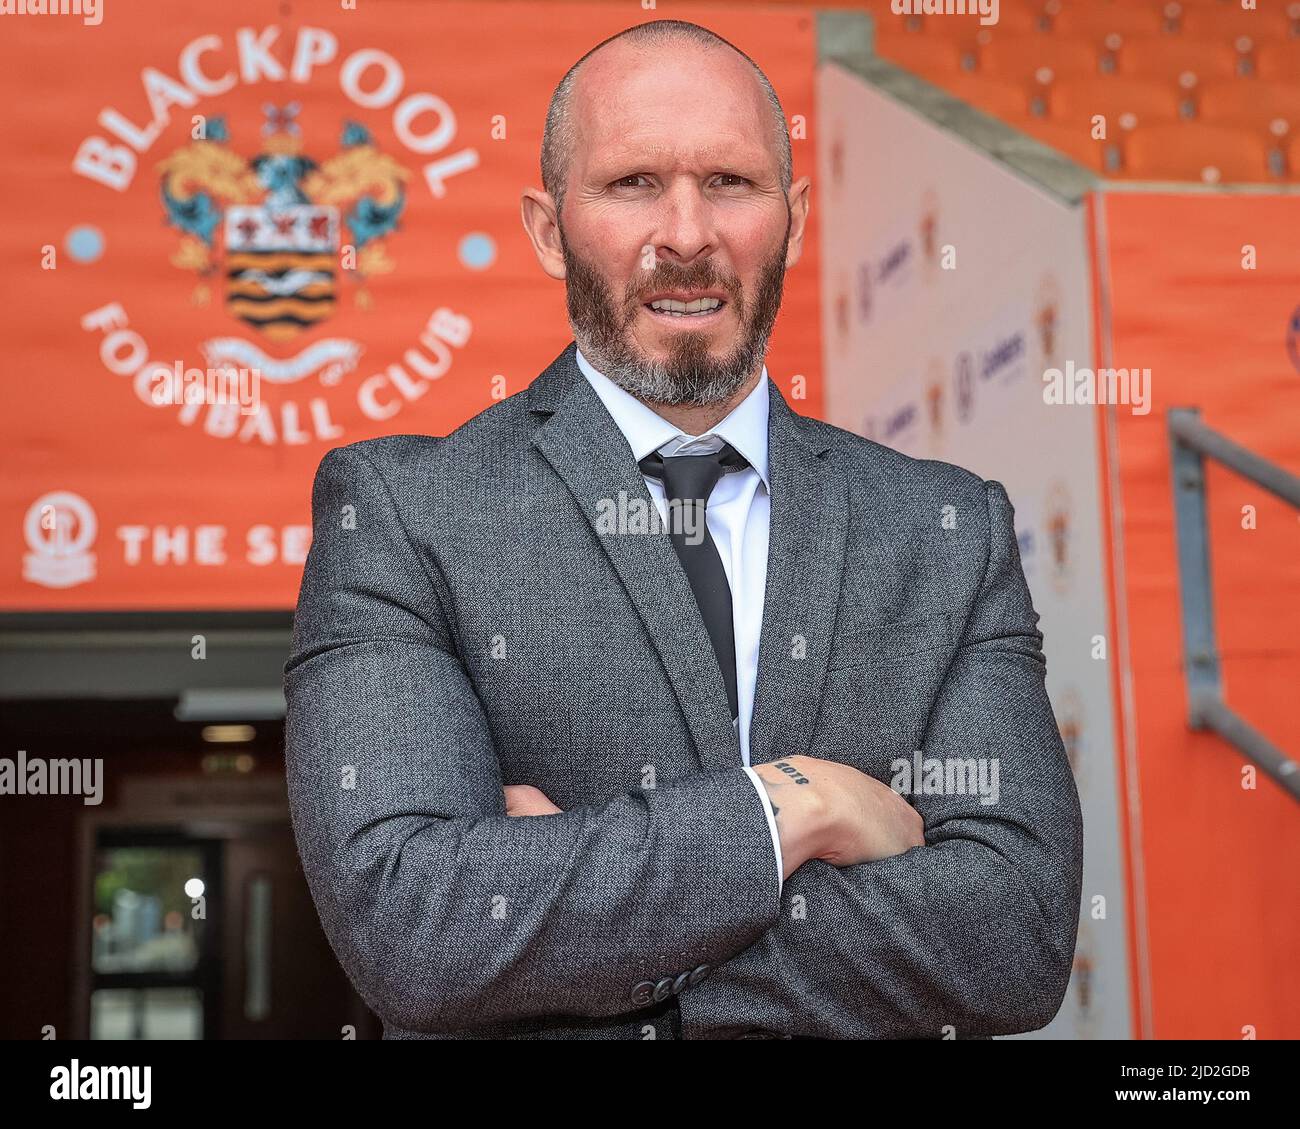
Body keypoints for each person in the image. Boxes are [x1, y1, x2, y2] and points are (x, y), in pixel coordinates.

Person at [284, 18, 1083, 1040]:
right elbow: (416, 927)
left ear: (792, 216)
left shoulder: (943, 530)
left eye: (730, 183)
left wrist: (583, 930)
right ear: (545, 225)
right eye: (631, 184)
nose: (687, 233)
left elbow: (1012, 943)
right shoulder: (403, 513)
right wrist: (796, 807)